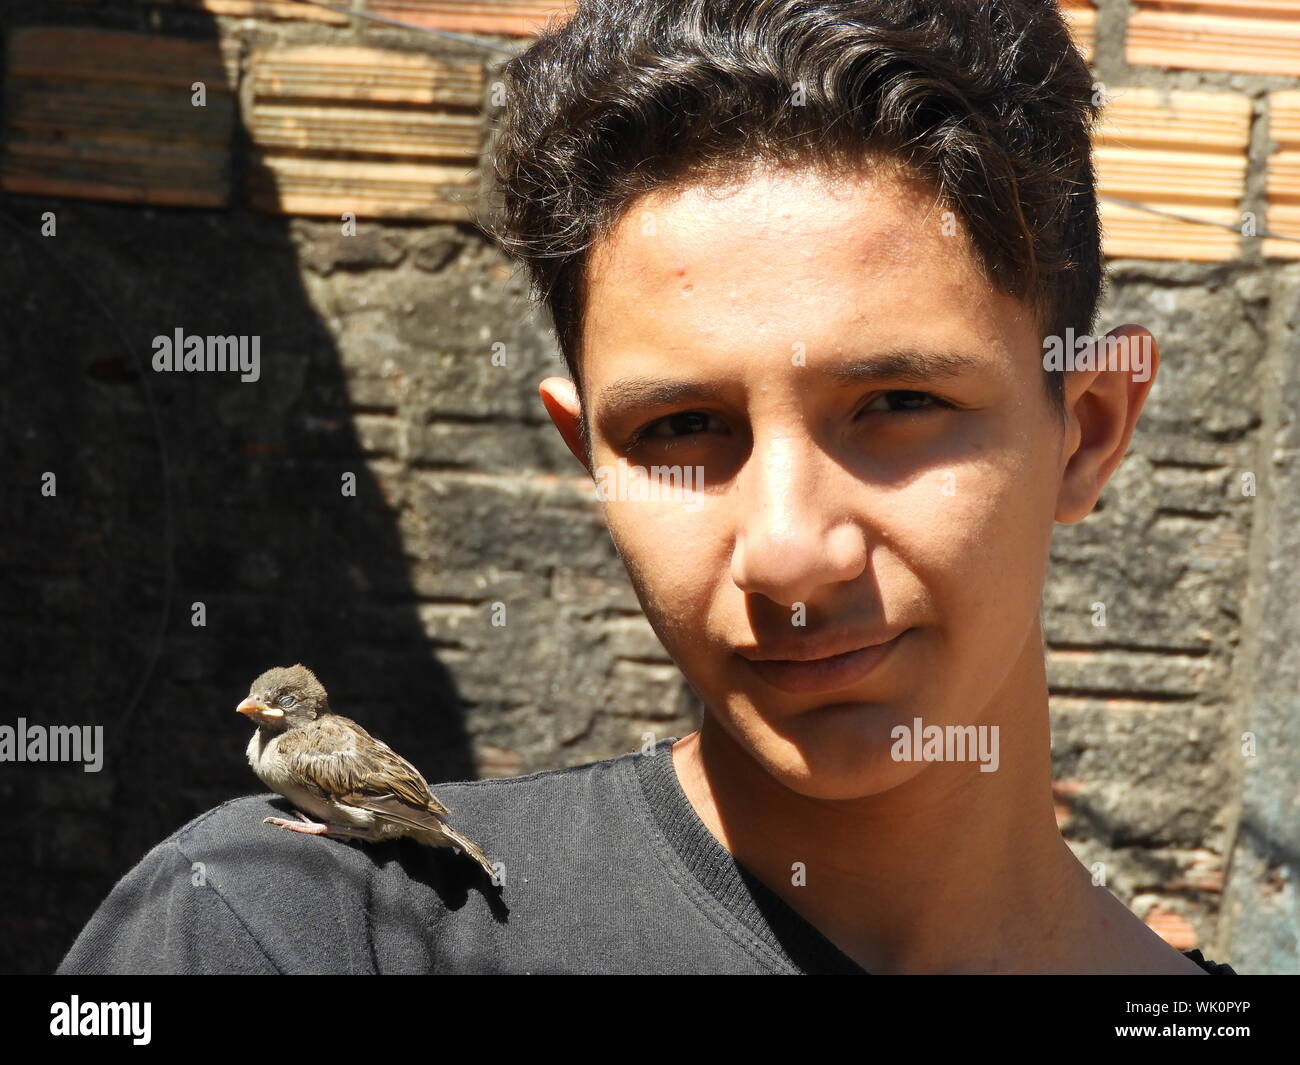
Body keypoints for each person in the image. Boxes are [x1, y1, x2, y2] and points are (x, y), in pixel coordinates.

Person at [58, 0, 1235, 975]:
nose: (786, 552)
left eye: (895, 405)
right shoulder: (285, 935)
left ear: (1084, 432)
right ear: (591, 459)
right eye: (681, 427)